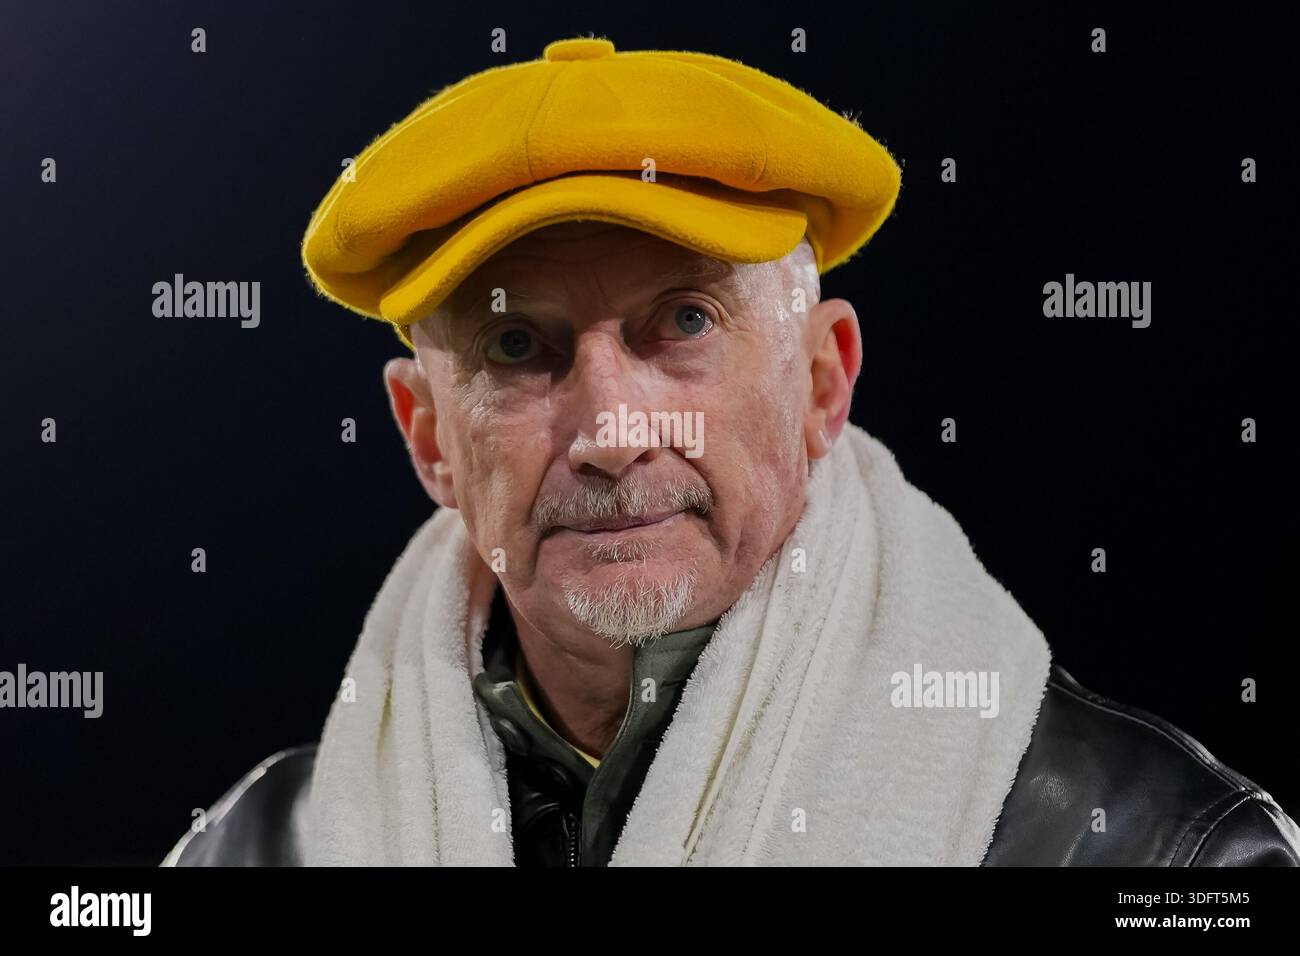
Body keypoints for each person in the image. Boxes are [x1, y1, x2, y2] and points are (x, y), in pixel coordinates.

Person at [164, 36, 1298, 867]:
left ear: (821, 380)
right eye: (518, 344)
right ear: (428, 439)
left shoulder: (1166, 854)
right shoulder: (250, 851)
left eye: (685, 322)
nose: (612, 434)